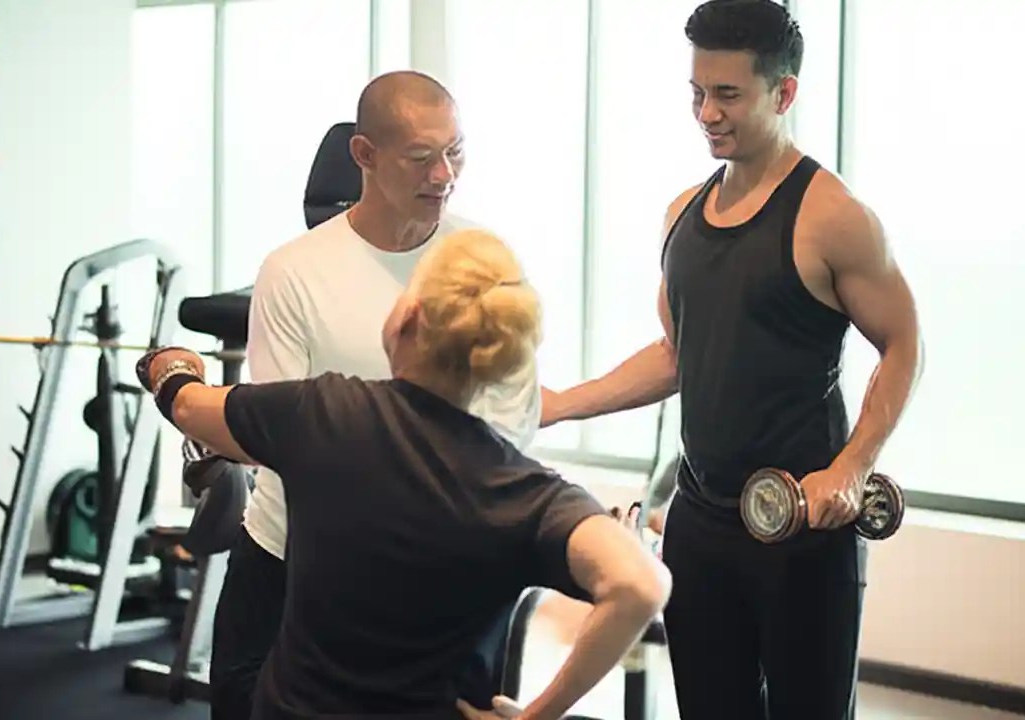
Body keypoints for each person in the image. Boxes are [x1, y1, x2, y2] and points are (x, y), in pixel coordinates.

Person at [540, 1, 923, 718]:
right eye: (696, 92)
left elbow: (904, 342)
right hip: (700, 526)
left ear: (783, 93)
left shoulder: (831, 216)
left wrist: (853, 465)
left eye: (727, 95)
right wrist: (561, 402)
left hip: (802, 533)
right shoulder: (682, 214)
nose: (706, 113)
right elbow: (678, 357)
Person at [137, 228, 671, 720]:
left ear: (406, 319)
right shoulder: (524, 492)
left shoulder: (325, 413)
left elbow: (187, 407)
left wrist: (169, 365)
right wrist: (537, 716)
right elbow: (640, 585)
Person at [211, 71, 542, 720]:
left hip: (440, 567)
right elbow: (285, 435)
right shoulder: (294, 271)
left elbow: (511, 419)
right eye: (421, 157)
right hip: (294, 561)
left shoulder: (484, 259)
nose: (444, 174)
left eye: (456, 150)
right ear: (363, 156)